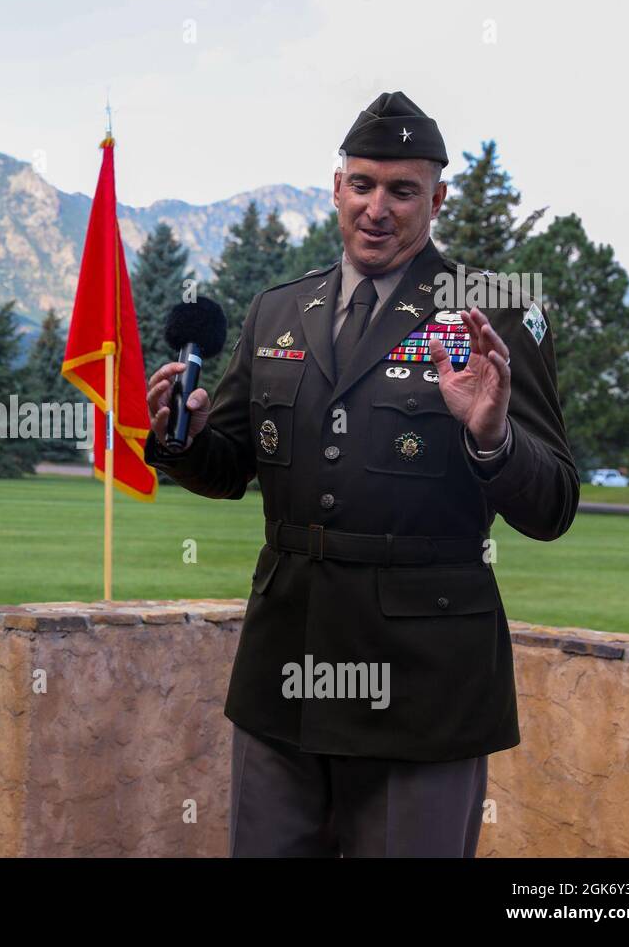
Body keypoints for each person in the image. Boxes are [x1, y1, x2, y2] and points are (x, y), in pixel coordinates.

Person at [143, 91, 579, 857]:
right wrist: (185, 438)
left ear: (436, 201)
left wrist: (493, 437)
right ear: (337, 187)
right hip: (285, 670)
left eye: (403, 190)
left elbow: (553, 506)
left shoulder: (493, 315)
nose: (378, 209)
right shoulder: (279, 312)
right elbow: (231, 467)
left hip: (423, 687)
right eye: (363, 185)